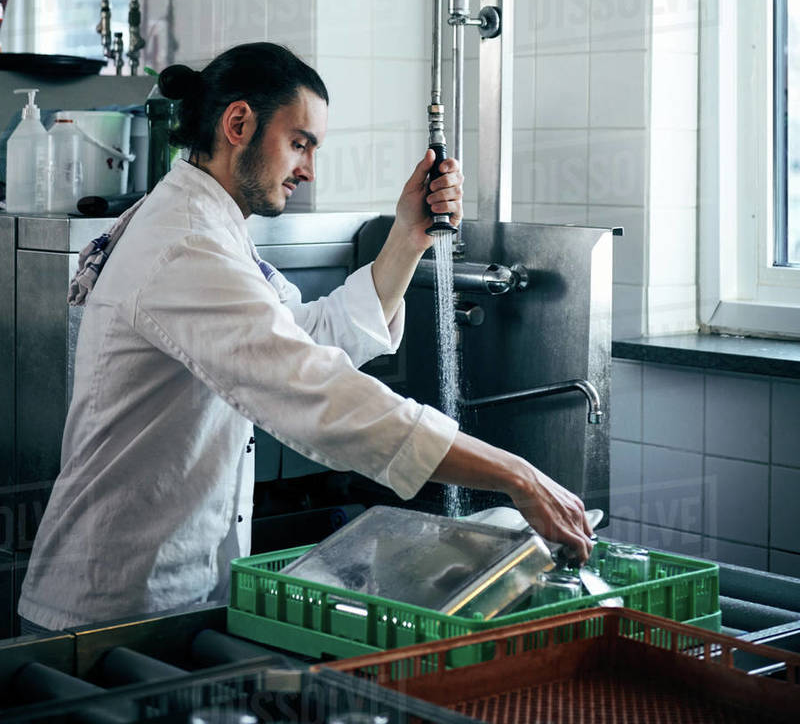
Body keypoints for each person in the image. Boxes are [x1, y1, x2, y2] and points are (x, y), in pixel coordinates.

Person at [18, 42, 592, 632]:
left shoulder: (211, 227)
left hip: (169, 593)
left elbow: (306, 336)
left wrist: (408, 236)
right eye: (300, 143)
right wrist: (516, 475)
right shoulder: (186, 243)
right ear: (238, 123)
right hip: (109, 607)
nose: (309, 170)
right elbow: (317, 391)